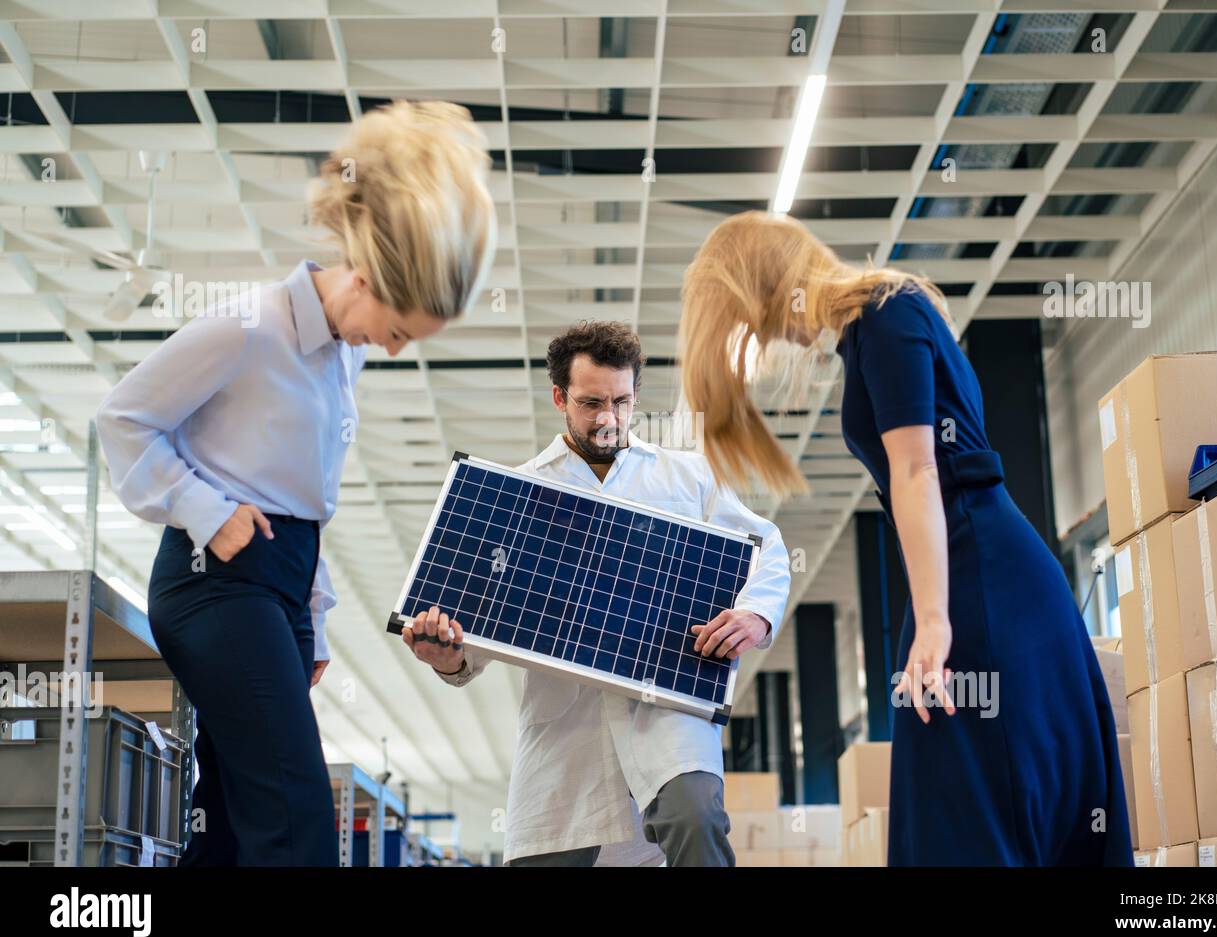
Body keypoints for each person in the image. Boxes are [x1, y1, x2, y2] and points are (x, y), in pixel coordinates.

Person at [96, 100, 497, 866]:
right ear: (370, 276)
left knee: (231, 816)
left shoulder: (342, 360)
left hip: (276, 587)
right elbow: (123, 419)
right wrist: (205, 508)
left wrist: (309, 615)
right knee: (295, 809)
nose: (395, 347)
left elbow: (308, 502)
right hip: (213, 579)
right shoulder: (249, 328)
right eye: (401, 329)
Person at [675, 211, 1132, 866]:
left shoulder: (887, 315)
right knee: (964, 797)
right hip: (968, 569)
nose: (778, 337)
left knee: (968, 803)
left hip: (979, 577)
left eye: (764, 320)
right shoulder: (875, 327)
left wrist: (936, 619)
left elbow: (917, 469)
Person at [401, 321, 791, 866]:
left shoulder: (687, 478)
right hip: (566, 731)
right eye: (590, 403)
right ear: (559, 397)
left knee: (695, 816)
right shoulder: (519, 493)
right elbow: (474, 641)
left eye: (621, 401)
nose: (608, 418)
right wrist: (448, 659)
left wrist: (755, 615)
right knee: (549, 852)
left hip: (666, 705)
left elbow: (767, 549)